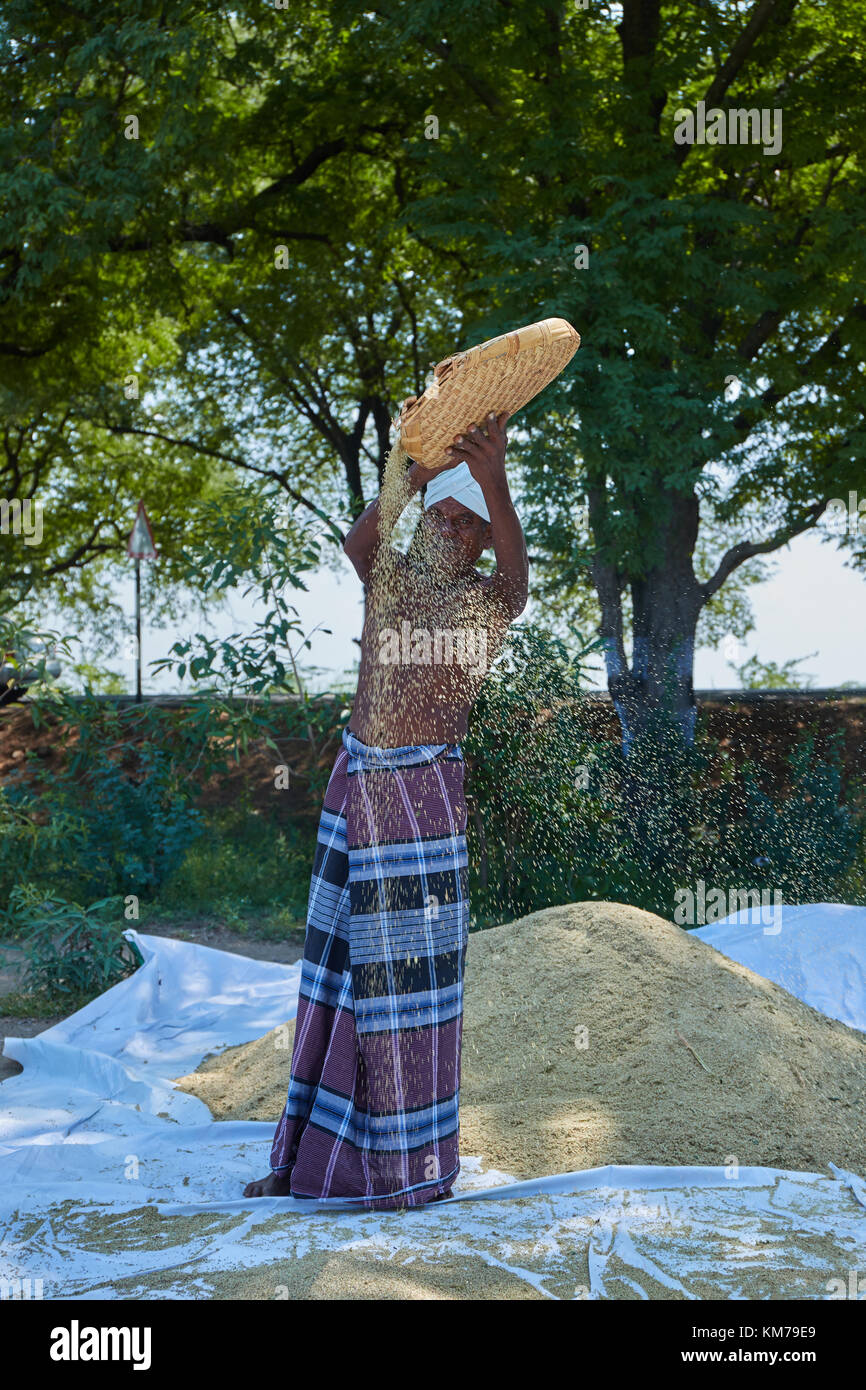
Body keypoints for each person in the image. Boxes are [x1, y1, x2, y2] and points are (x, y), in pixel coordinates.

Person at [243, 410, 528, 1208]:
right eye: (444, 519)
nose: (452, 532)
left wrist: (492, 482)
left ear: (480, 538)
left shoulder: (482, 606)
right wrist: (418, 469)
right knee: (334, 979)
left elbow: (519, 583)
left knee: (408, 990)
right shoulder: (393, 580)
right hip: (358, 787)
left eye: (468, 525)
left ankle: (403, 1171)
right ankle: (311, 1158)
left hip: (424, 799)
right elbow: (359, 543)